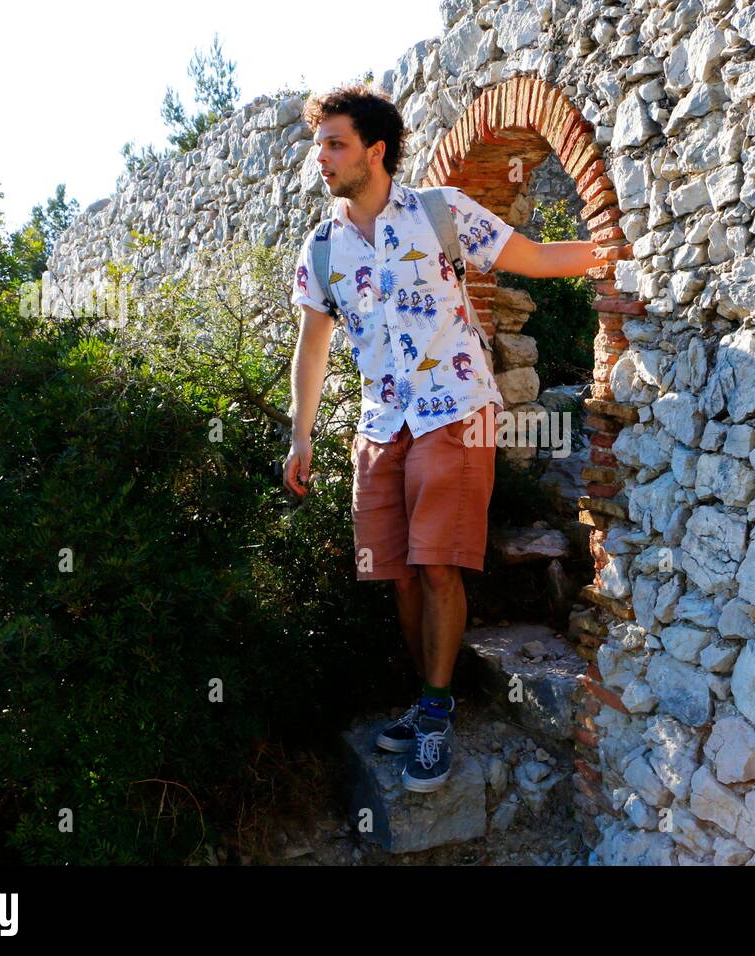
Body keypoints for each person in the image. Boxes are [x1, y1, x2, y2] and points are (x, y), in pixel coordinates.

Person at [283, 85, 599, 793]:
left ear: (375, 150)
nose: (321, 158)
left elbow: (538, 257)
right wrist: (300, 437)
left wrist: (627, 248)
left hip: (453, 411)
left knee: (437, 567)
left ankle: (433, 714)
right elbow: (312, 349)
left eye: (334, 143)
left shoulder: (440, 213)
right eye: (318, 145)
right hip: (379, 424)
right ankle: (431, 697)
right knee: (395, 571)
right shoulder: (323, 247)